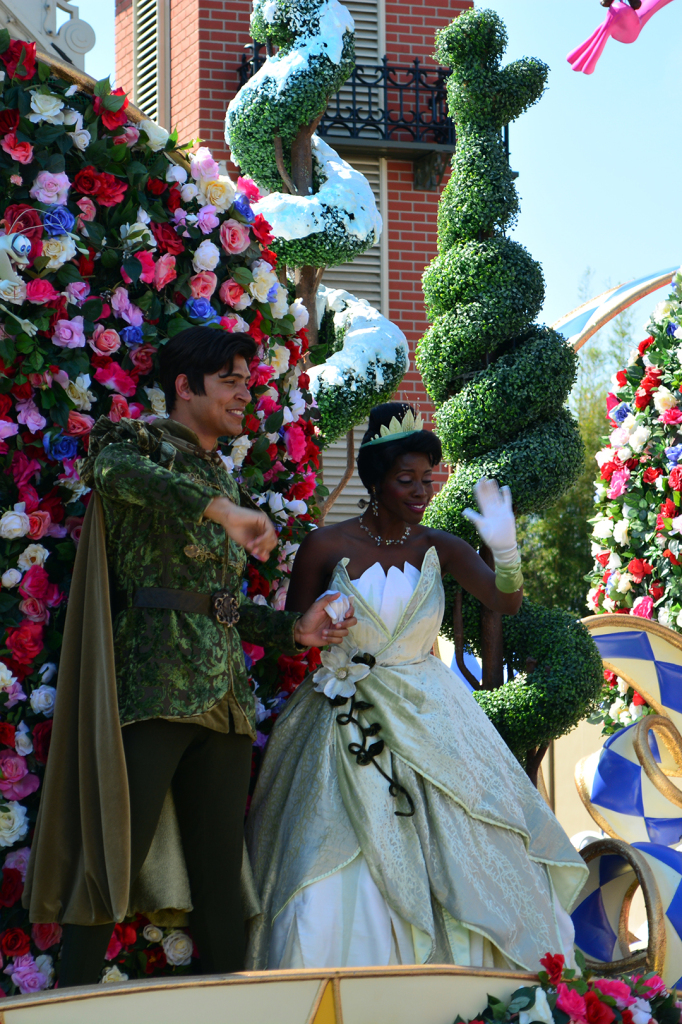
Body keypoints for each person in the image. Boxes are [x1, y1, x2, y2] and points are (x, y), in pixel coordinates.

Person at [23, 327, 355, 986]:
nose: (245, 392)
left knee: (221, 882)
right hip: (155, 686)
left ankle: (229, 1005)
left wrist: (297, 630)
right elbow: (113, 475)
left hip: (226, 702)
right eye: (231, 379)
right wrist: (218, 510)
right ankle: (71, 1004)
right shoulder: (135, 443)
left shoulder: (219, 469)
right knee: (110, 862)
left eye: (247, 380)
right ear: (185, 385)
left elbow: (217, 605)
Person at [246, 402, 587, 972]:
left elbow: (505, 602)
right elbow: (292, 636)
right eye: (406, 479)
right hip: (341, 713)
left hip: (434, 715)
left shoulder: (442, 547)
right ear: (375, 481)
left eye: (427, 479)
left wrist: (505, 549)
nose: (421, 490)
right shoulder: (324, 547)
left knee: (472, 841)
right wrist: (318, 633)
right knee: (325, 858)